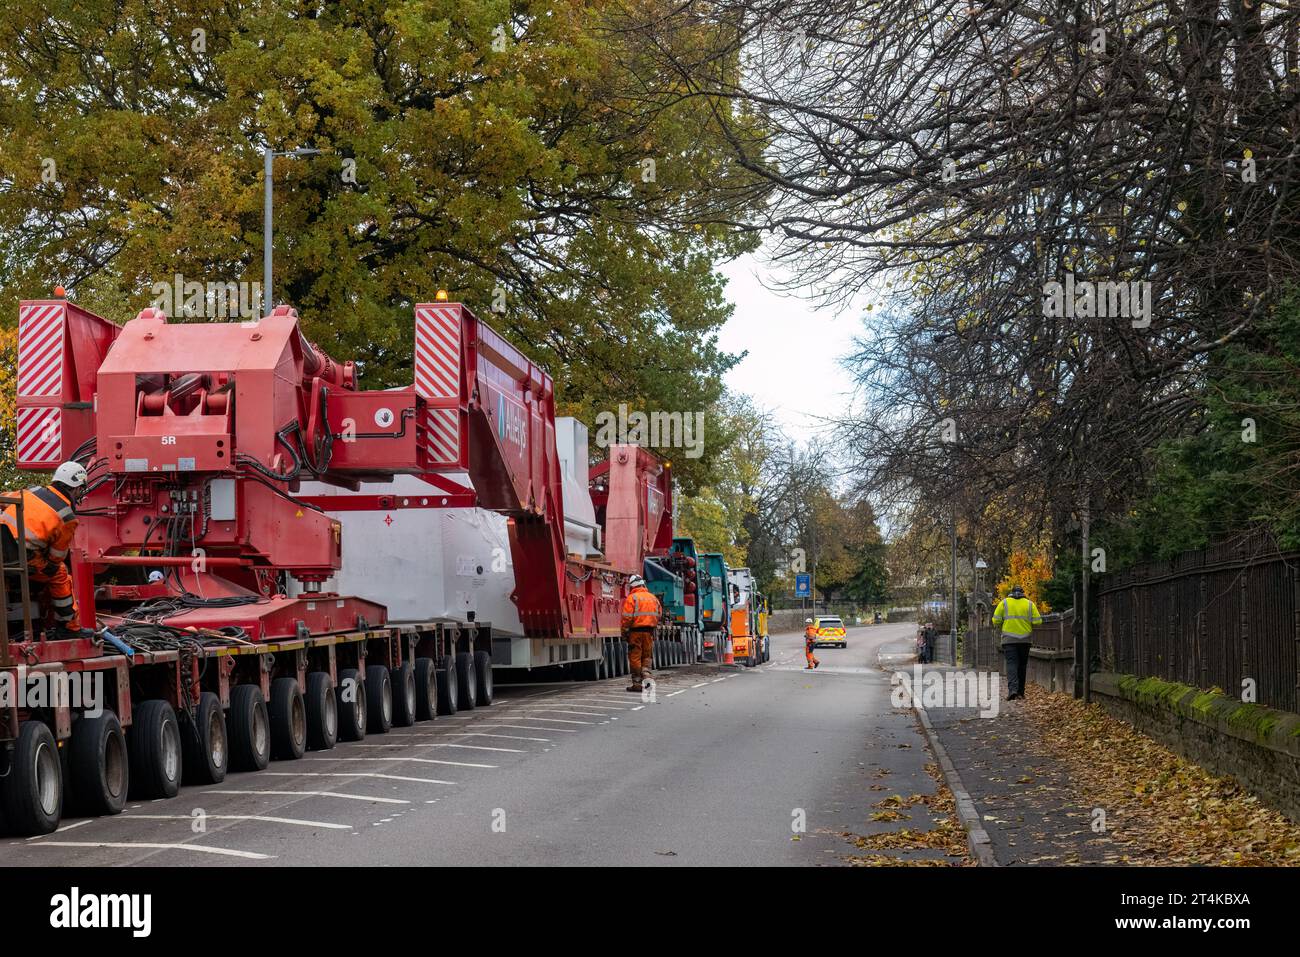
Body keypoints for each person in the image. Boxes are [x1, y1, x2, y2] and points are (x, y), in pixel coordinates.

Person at [0, 462, 93, 639]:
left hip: (3, 553)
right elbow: (57, 556)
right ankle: (69, 627)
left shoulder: (32, 492)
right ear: (76, 488)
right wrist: (49, 567)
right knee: (59, 574)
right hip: (20, 559)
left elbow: (5, 498)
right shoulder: (67, 516)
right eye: (81, 489)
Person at [992, 585, 1043, 700]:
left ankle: (1012, 690)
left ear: (1011, 592)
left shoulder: (1004, 603)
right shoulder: (1030, 604)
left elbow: (995, 620)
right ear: (1023, 593)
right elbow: (1038, 621)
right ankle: (1021, 692)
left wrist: (1004, 622)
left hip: (1009, 640)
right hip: (1025, 640)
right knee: (1022, 666)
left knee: (1011, 664)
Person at [621, 575, 662, 693]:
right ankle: (647, 676)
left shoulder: (632, 598)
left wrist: (624, 631)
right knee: (647, 655)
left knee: (635, 657)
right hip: (649, 632)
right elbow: (659, 615)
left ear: (632, 585)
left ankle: (637, 683)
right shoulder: (653, 598)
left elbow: (627, 618)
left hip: (635, 632)